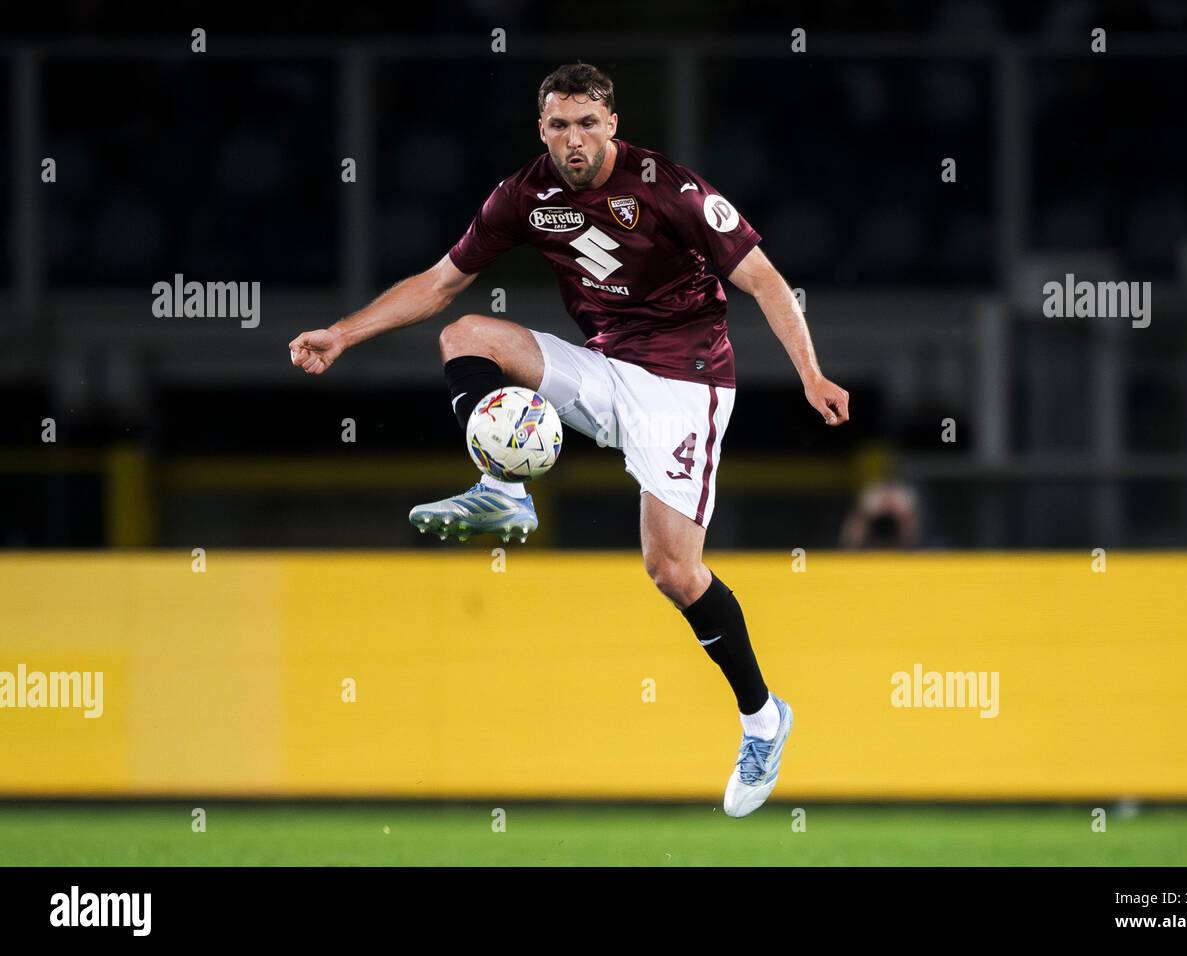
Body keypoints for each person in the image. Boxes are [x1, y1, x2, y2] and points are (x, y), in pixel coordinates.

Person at [289, 62, 848, 817]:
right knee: (467, 333)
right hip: (604, 368)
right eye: (559, 125)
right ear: (542, 130)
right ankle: (504, 490)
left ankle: (762, 719)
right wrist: (343, 334)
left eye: (588, 123)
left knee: (673, 572)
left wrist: (811, 375)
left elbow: (767, 281)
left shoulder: (671, 190)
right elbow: (439, 281)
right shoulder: (524, 195)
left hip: (685, 386)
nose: (574, 139)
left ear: (613, 123)